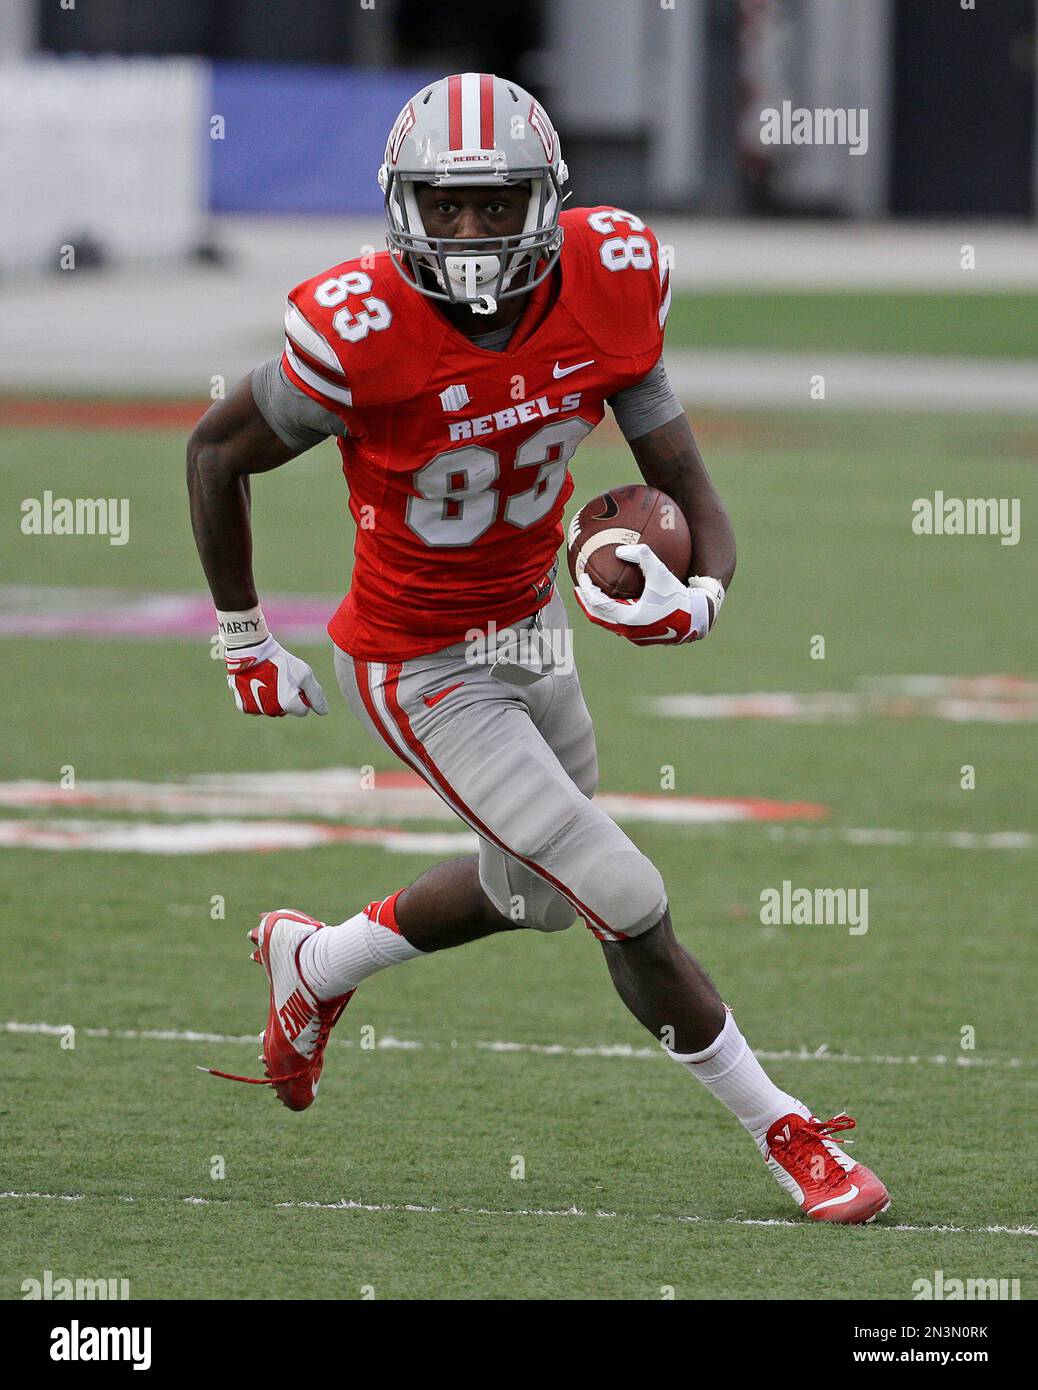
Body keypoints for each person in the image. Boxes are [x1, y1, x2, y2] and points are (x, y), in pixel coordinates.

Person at [187, 73, 889, 1223]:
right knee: (620, 888)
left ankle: (313, 966)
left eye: (497, 201)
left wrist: (702, 592)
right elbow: (215, 455)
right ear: (403, 205)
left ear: (547, 198)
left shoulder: (610, 280)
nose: (470, 230)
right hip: (418, 662)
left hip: (532, 626)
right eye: (446, 204)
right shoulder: (357, 331)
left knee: (539, 892)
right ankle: (787, 1132)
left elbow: (684, 483)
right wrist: (242, 634)